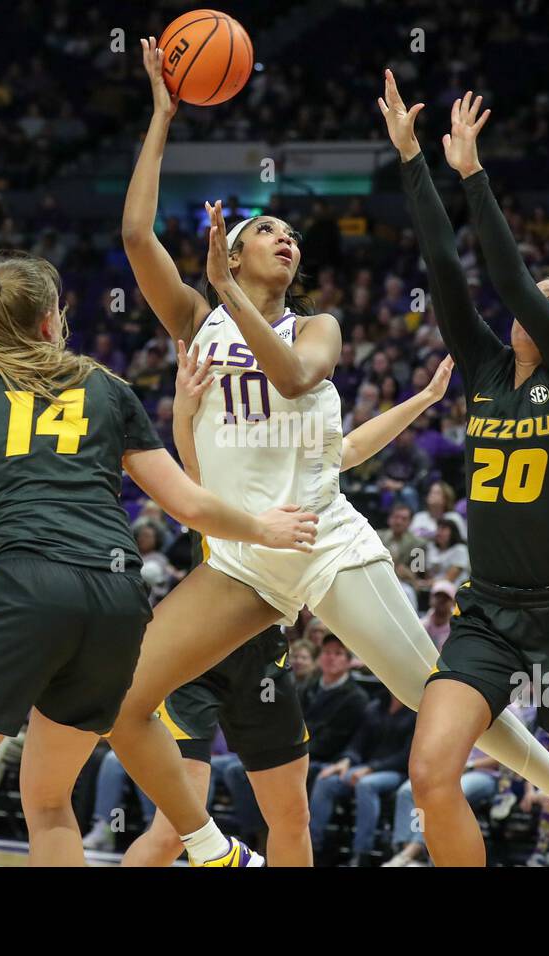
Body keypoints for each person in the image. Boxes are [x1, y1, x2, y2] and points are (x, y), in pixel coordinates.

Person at [106, 42, 549, 869]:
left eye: (292, 234)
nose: (286, 239)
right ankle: (212, 850)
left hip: (320, 539)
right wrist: (163, 114)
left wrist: (229, 295)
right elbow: (136, 232)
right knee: (122, 698)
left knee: (431, 694)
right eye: (266, 229)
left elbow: (291, 376)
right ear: (232, 249)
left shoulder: (312, 326)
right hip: (245, 554)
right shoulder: (194, 321)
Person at [0, 250, 316, 867]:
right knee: (51, 802)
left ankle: (208, 845)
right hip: (115, 601)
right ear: (47, 322)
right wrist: (261, 528)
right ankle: (209, 846)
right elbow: (186, 503)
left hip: (19, 586)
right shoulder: (108, 388)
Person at [382, 74, 549, 866]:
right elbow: (447, 272)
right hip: (489, 614)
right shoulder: (488, 371)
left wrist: (474, 176)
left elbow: (510, 284)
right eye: (537, 300)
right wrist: (413, 160)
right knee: (429, 773)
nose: (532, 308)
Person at [124, 347, 459, 867]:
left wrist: (426, 397)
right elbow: (188, 461)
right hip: (199, 659)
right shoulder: (218, 460)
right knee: (173, 831)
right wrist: (185, 406)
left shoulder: (295, 463)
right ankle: (210, 848)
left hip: (262, 656)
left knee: (292, 817)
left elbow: (348, 449)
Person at [307, 692, 415, 866]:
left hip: (396, 772)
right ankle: (314, 846)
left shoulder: (417, 712)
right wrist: (346, 761)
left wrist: (372, 768)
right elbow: (357, 744)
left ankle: (361, 853)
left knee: (366, 785)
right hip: (363, 767)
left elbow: (406, 756)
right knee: (325, 780)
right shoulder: (375, 707)